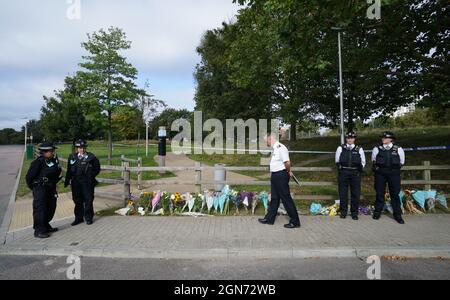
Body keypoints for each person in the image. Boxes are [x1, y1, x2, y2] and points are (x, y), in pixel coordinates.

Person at [259, 134, 301, 229]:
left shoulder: (281, 147)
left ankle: (295, 221)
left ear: (270, 139)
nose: (266, 143)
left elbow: (287, 162)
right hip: (275, 175)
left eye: (267, 141)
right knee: (274, 198)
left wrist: (289, 171)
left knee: (286, 198)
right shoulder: (275, 149)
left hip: (281, 175)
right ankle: (269, 219)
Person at [26, 142, 62, 239]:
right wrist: (35, 188)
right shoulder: (38, 162)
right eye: (51, 151)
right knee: (40, 209)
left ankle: (46, 225)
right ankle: (39, 230)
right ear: (45, 152)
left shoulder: (52, 161)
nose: (53, 152)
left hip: (51, 187)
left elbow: (56, 173)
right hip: (40, 188)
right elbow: (29, 177)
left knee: (51, 207)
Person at [372, 131, 406, 224]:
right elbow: (374, 161)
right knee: (379, 193)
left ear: (391, 139)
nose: (383, 139)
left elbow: (402, 162)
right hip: (380, 174)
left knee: (395, 194)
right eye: (382, 138)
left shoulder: (398, 149)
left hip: (394, 174)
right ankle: (377, 212)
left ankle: (397, 215)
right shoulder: (377, 149)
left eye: (385, 138)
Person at [65, 139, 101, 226]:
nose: (82, 149)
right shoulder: (72, 156)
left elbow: (97, 168)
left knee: (88, 200)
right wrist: (68, 180)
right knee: (77, 200)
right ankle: (78, 218)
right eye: (80, 148)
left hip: (87, 182)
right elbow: (69, 169)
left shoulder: (91, 157)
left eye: (83, 147)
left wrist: (90, 176)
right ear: (77, 148)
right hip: (76, 183)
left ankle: (88, 217)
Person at [335, 132, 366, 220]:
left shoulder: (359, 149)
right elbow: (337, 161)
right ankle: (343, 212)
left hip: (355, 173)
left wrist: (359, 169)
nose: (350, 139)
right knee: (343, 193)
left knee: (355, 194)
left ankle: (354, 213)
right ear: (346, 139)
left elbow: (363, 162)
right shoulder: (340, 148)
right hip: (343, 173)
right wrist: (341, 169)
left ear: (354, 139)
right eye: (348, 138)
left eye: (352, 138)